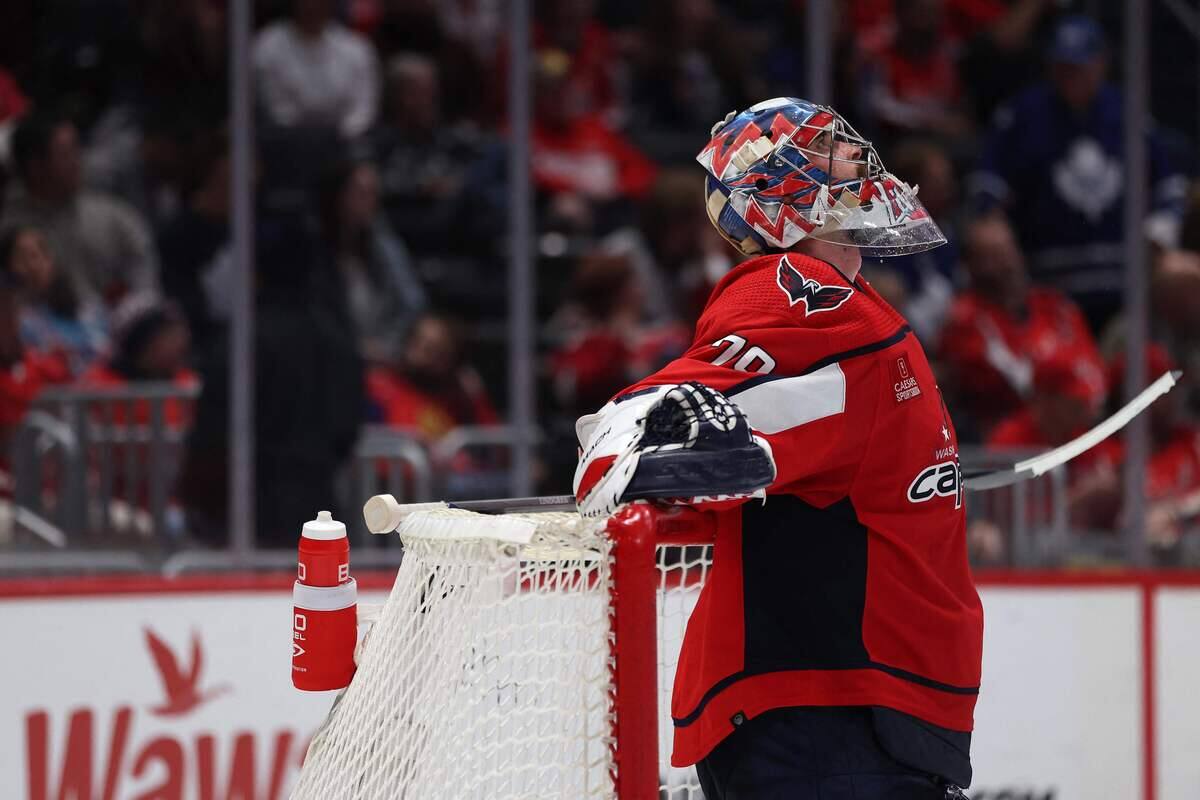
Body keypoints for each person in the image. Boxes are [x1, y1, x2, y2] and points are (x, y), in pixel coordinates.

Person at [573, 98, 978, 798]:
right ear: (779, 196)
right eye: (827, 151)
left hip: (851, 718)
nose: (855, 157)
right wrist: (646, 440)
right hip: (827, 715)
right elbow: (638, 431)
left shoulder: (850, 309)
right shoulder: (802, 291)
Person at [967, 15, 1186, 331]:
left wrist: (1160, 232)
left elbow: (1169, 187)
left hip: (1124, 282)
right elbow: (986, 187)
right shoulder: (1023, 115)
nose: (1070, 77)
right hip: (1045, 284)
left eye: (1079, 67)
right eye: (1062, 66)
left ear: (1101, 63)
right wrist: (993, 224)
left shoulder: (1127, 112)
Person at [938, 214, 1104, 439]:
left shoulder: (1056, 307)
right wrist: (1063, 381)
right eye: (992, 256)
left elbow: (1093, 377)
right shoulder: (964, 321)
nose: (1007, 264)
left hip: (1080, 435)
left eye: (1008, 250)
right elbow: (1021, 385)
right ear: (971, 266)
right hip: (1011, 442)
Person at [2, 112, 160, 307]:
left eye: (77, 150)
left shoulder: (115, 217)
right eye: (66, 154)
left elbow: (145, 285)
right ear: (35, 165)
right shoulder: (8, 229)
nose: (78, 162)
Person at [253, 0, 380, 140]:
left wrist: (340, 135)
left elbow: (363, 110)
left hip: (345, 141)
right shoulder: (268, 45)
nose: (312, 6)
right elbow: (276, 108)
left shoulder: (356, 48)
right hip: (285, 140)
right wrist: (308, 136)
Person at [0, 224, 108, 376]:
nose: (33, 266)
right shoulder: (8, 317)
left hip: (89, 390)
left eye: (38, 255)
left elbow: (102, 349)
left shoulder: (84, 305)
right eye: (22, 258)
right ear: (6, 266)